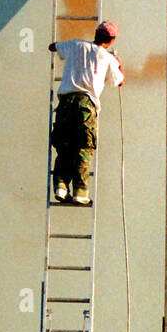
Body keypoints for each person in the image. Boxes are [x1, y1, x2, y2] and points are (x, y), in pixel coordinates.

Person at [47, 20, 125, 205]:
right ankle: (80, 192)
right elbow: (120, 81)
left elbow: (52, 47)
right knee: (83, 147)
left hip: (65, 103)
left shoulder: (75, 45)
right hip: (86, 105)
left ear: (96, 33)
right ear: (111, 40)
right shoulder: (108, 58)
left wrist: (65, 48)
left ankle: (60, 187)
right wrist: (118, 63)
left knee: (64, 145)